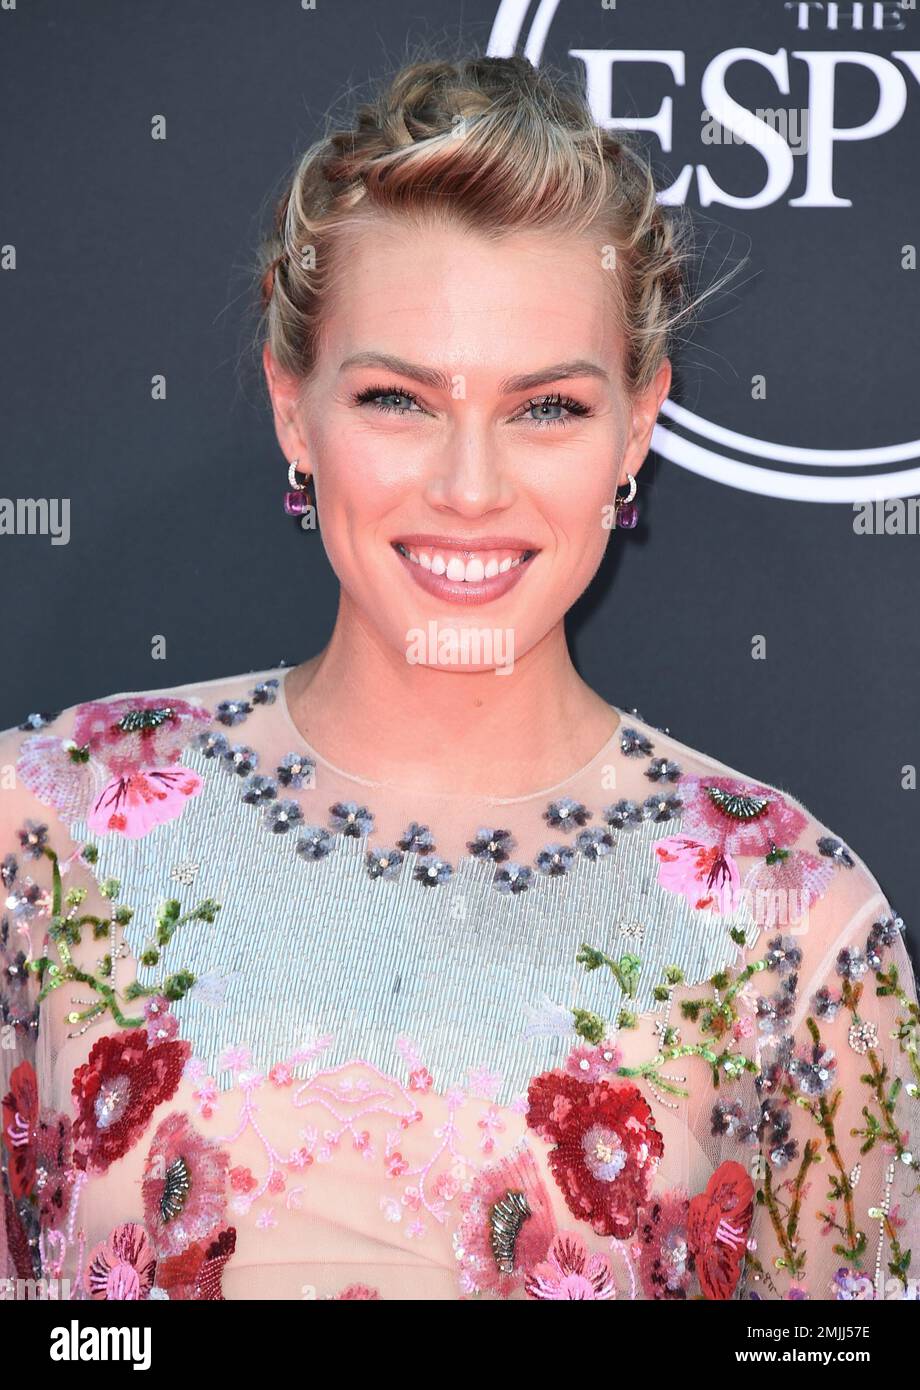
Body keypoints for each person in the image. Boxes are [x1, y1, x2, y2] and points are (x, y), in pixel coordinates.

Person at [1, 53, 917, 1303]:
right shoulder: (45, 831)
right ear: (292, 406)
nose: (470, 489)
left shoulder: (794, 927)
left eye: (544, 408)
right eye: (397, 398)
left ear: (637, 425)